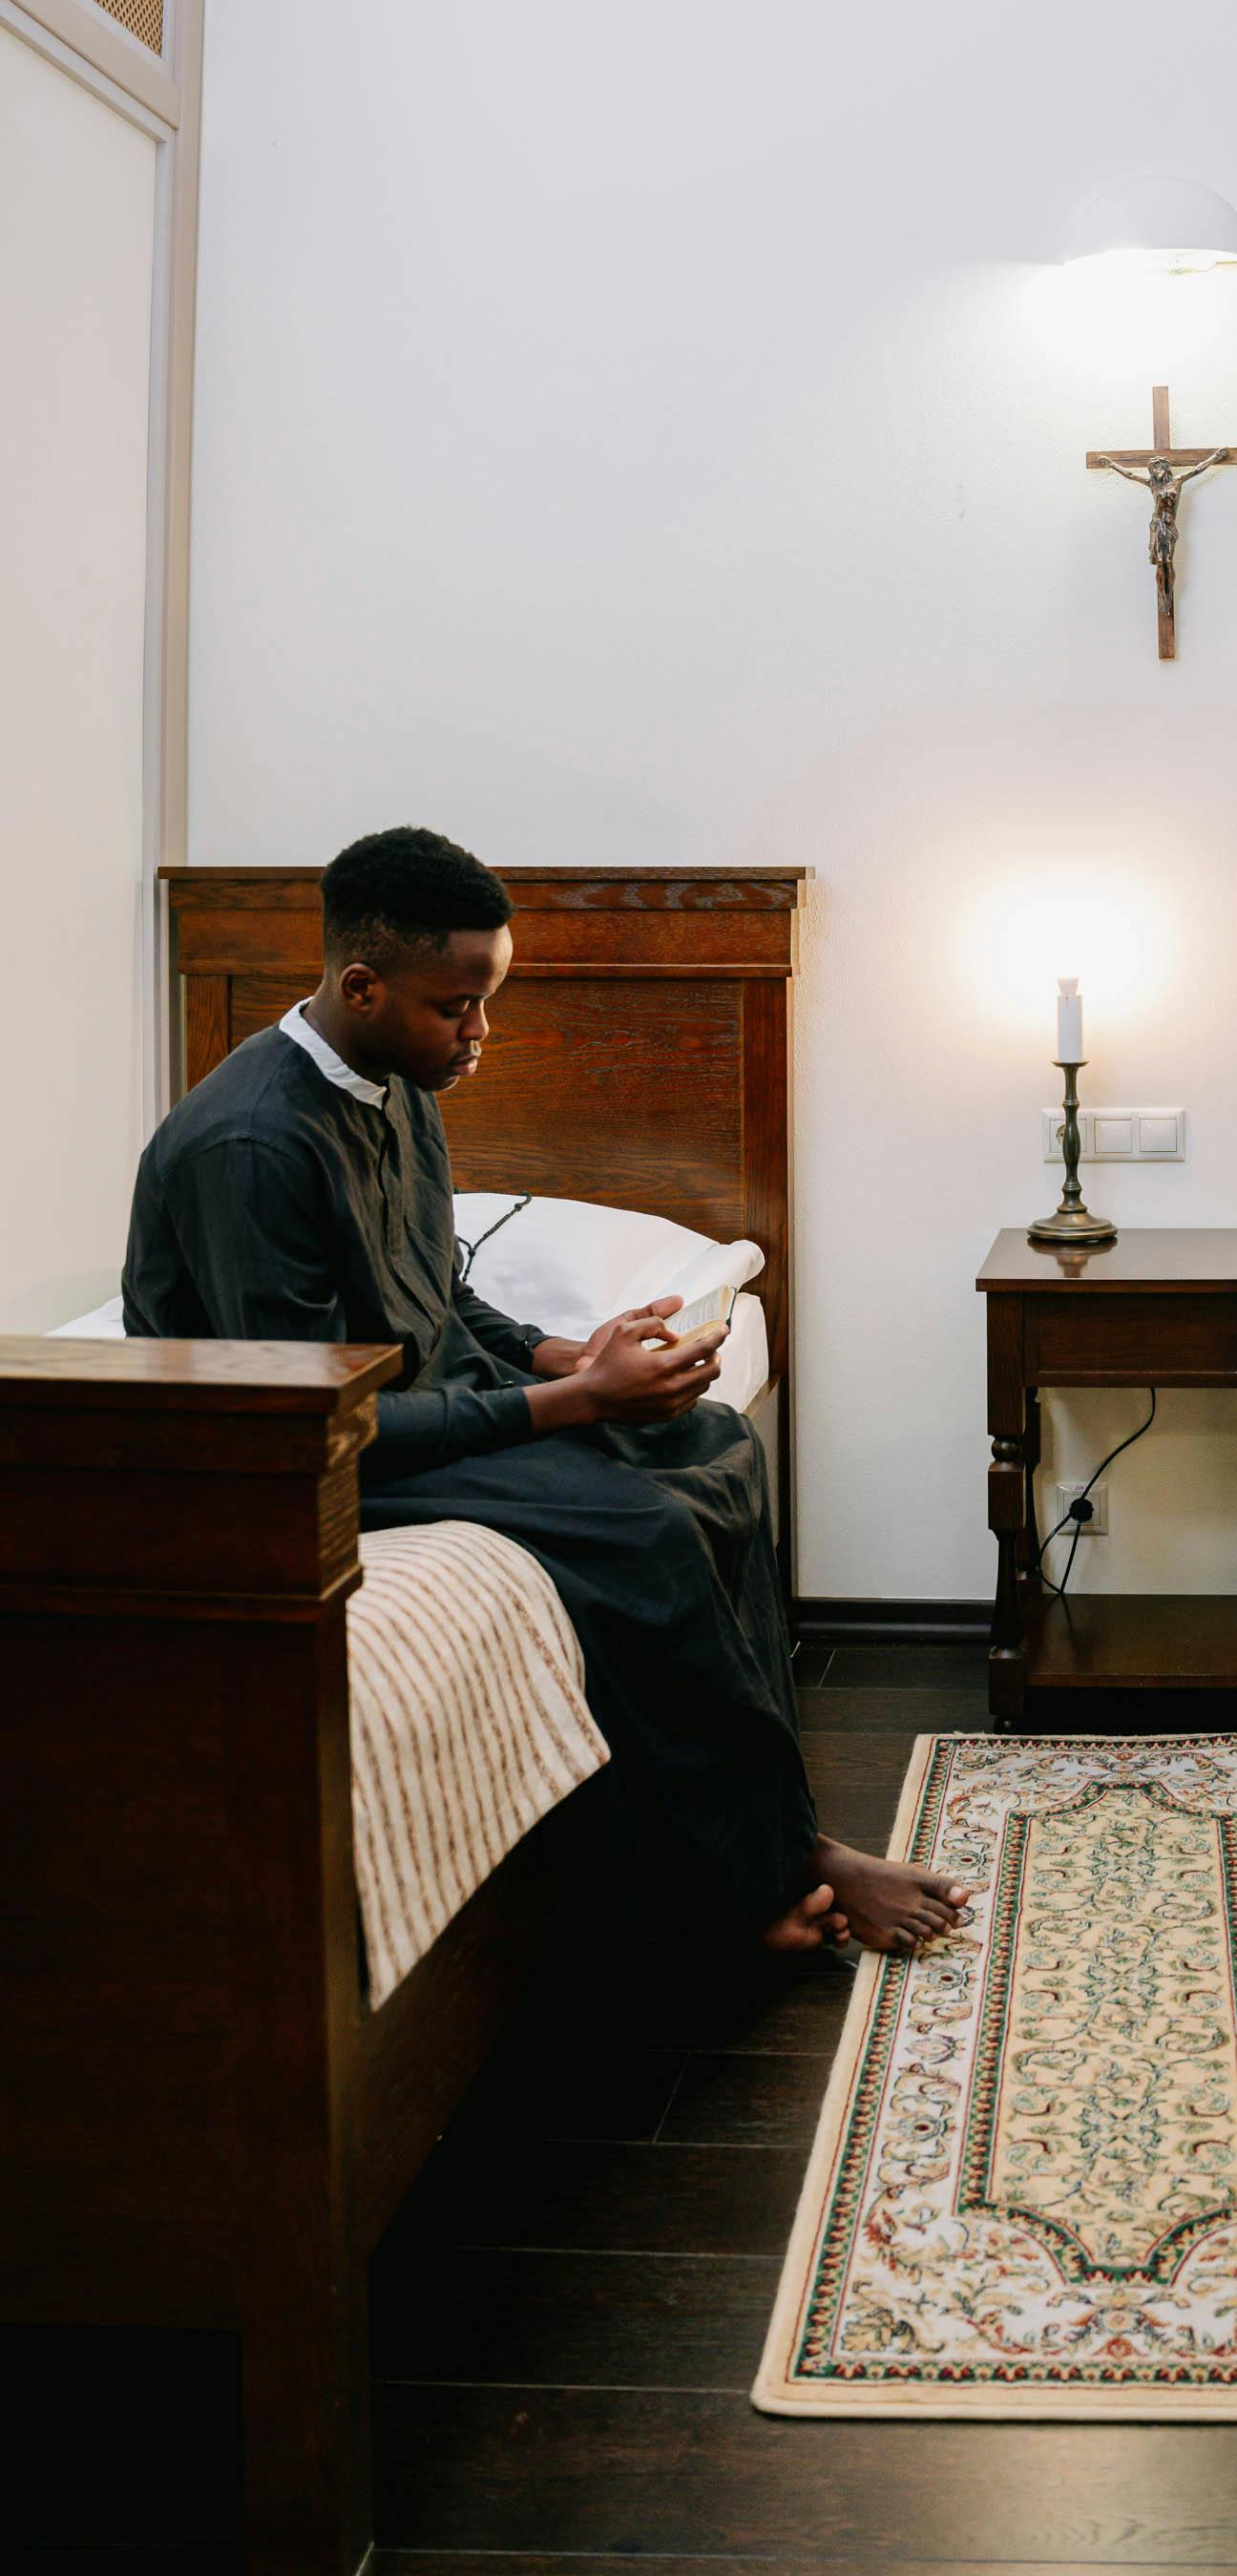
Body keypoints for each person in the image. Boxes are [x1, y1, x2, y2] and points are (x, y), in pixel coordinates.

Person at [124, 825, 968, 1965]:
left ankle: (782, 1837)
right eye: (457, 1007)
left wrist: (564, 1355)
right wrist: (577, 1407)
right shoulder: (252, 1146)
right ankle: (758, 1878)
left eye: (487, 1001)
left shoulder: (394, 1074)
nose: (482, 1035)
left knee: (719, 1443)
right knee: (644, 1529)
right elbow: (314, 1424)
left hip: (418, 1411)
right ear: (360, 984)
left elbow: (438, 1287)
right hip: (297, 1476)